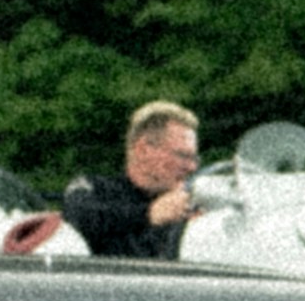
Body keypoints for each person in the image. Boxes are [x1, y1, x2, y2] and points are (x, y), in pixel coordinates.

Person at [59, 100, 201, 259]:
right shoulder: (97, 190)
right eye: (182, 156)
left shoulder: (191, 207)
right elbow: (78, 215)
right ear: (143, 150)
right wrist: (148, 215)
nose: (191, 167)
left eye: (194, 158)